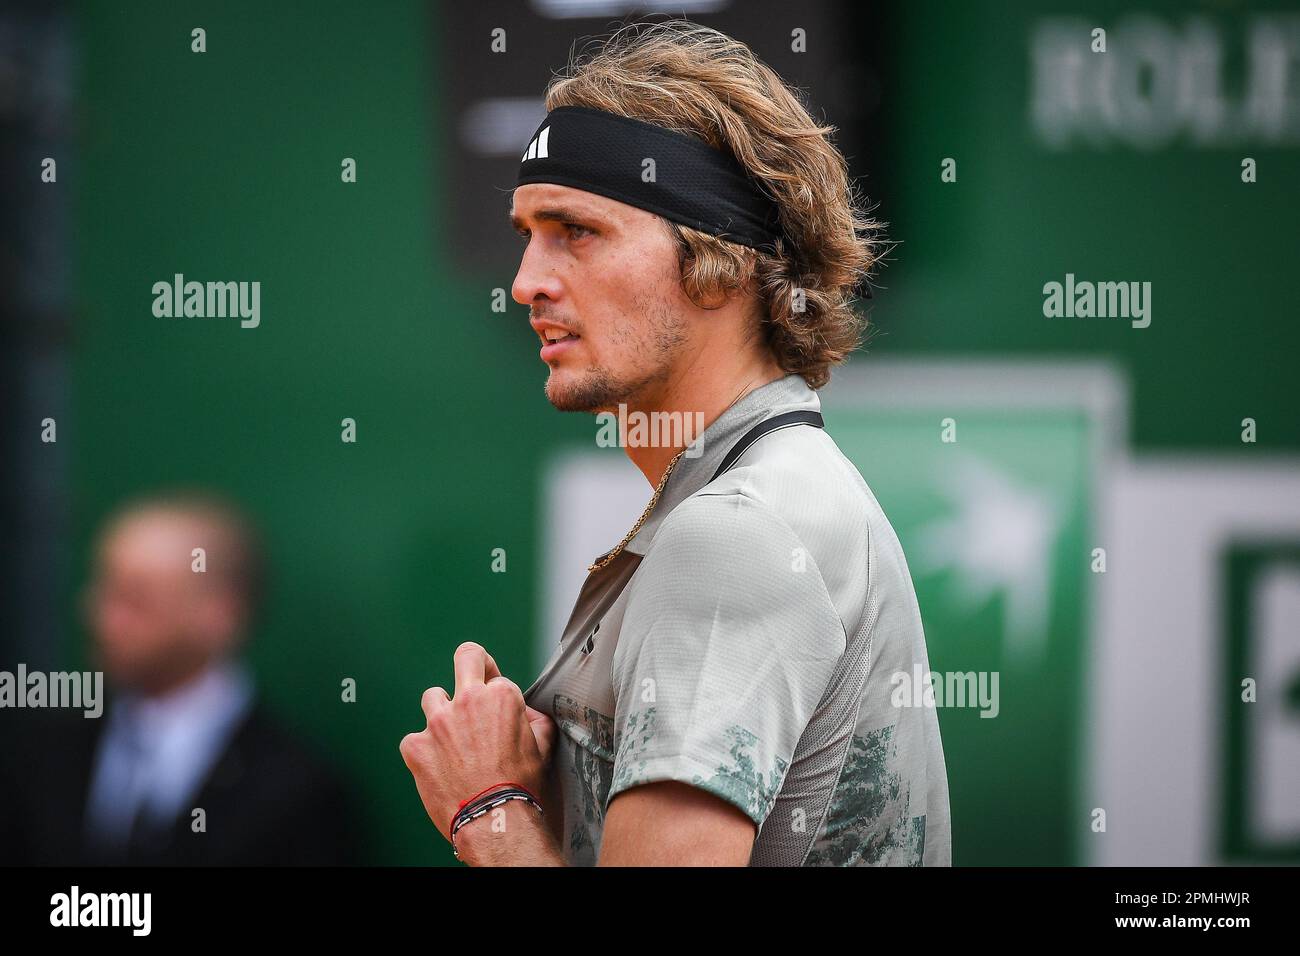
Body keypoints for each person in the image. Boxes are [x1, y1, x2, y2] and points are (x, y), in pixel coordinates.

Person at [400, 20, 951, 866]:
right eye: (527, 235)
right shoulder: (758, 500)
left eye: (576, 231)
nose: (525, 284)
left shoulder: (739, 531)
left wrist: (490, 808)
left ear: (720, 260)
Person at [0, 492, 361, 865]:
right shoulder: (44, 750)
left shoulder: (298, 793)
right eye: (101, 589)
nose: (98, 616)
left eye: (134, 599)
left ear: (220, 615)